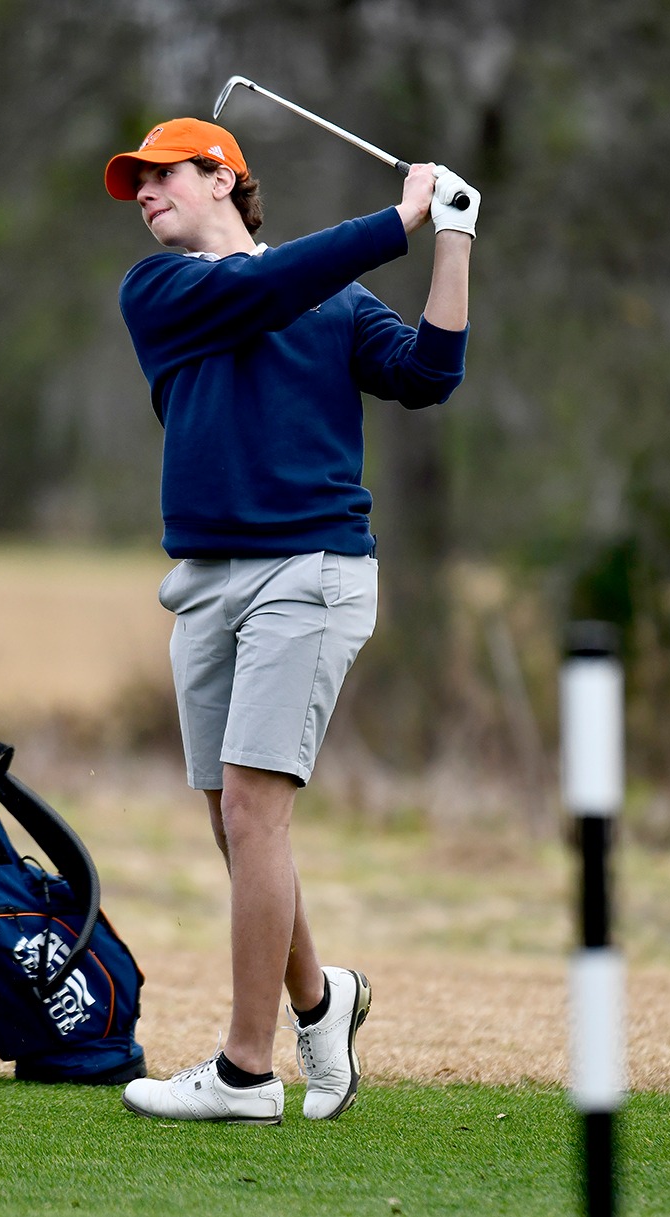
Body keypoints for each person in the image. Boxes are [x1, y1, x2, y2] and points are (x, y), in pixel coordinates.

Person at [104, 116, 476, 1124]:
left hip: (309, 571)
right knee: (234, 817)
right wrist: (393, 218)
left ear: (222, 176)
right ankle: (321, 998)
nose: (141, 194)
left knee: (251, 810)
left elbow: (427, 374)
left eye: (160, 175)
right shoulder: (161, 291)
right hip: (204, 580)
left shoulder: (335, 300)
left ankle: (243, 1070)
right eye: (134, 183)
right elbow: (263, 290)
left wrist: (449, 237)